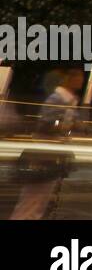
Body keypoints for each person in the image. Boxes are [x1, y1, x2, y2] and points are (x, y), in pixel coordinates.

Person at [7, 67, 83, 220]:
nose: (80, 82)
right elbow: (43, 125)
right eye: (78, 78)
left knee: (40, 202)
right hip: (44, 156)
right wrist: (65, 127)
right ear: (69, 79)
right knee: (32, 201)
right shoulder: (57, 100)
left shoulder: (68, 101)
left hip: (52, 155)